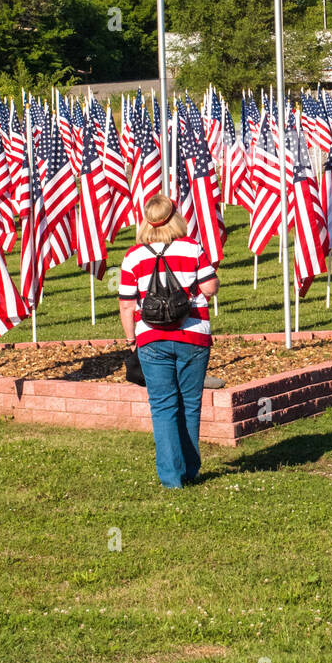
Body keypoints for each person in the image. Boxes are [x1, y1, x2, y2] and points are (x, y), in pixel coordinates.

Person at [118, 194, 219, 488]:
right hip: (193, 335)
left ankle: (171, 479)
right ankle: (190, 470)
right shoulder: (191, 248)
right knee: (190, 403)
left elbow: (126, 304)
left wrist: (131, 340)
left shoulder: (133, 256)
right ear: (175, 217)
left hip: (151, 339)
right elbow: (210, 288)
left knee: (162, 406)